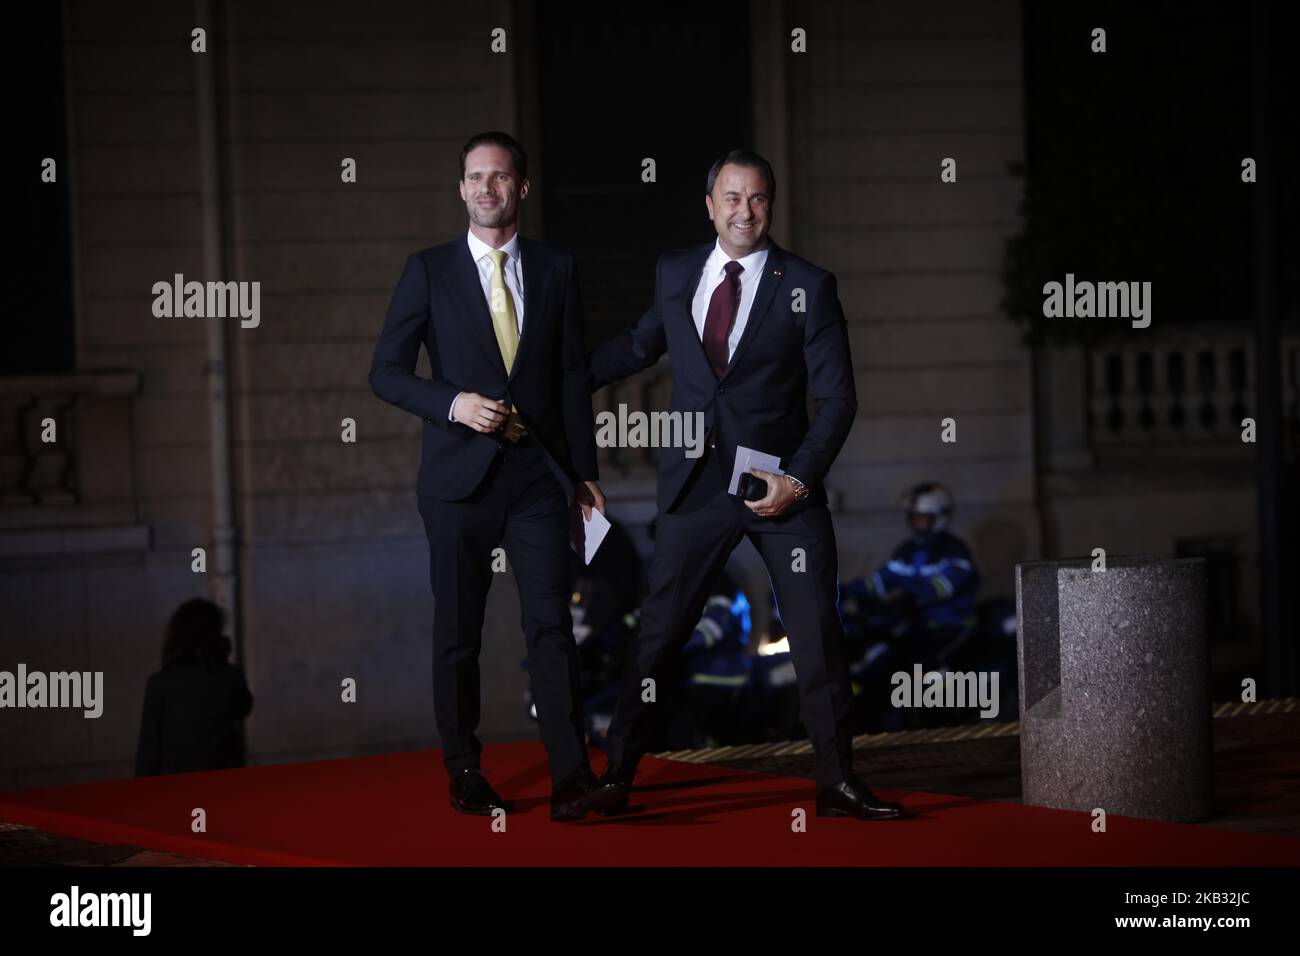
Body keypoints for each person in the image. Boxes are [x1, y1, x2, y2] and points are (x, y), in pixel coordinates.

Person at [577, 149, 904, 821]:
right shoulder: (675, 273)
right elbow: (637, 349)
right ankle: (616, 778)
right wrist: (562, 381)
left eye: (756, 199)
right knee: (658, 635)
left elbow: (838, 403)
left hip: (778, 488)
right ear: (709, 205)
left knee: (816, 632)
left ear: (770, 206)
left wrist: (799, 479)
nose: (744, 211)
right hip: (696, 486)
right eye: (731, 198)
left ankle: (837, 783)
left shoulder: (808, 285)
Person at [369, 131, 606, 821]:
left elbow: (568, 378)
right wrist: (451, 403)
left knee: (551, 630)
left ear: (520, 188)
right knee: (457, 632)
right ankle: (465, 770)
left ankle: (571, 776)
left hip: (537, 479)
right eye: (474, 177)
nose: (485, 188)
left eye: (499, 177)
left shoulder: (558, 267)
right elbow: (384, 371)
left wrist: (583, 476)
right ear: (460, 188)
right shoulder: (428, 269)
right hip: (456, 483)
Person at [135, 598, 253, 776]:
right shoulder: (227, 677)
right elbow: (243, 707)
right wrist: (223, 659)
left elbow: (149, 750)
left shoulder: (160, 684)